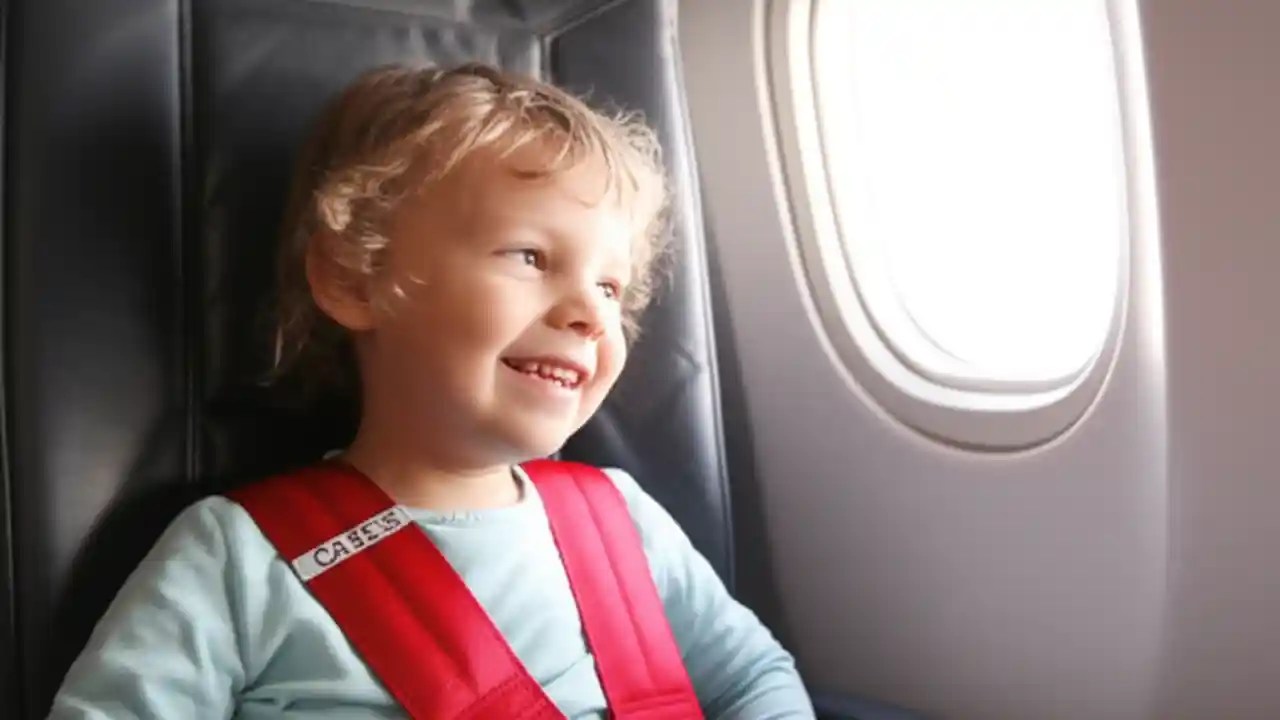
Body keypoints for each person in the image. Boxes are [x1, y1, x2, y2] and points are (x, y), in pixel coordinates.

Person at [49, 62, 814, 719]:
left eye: (611, 286)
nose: (590, 313)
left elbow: (754, 678)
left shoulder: (625, 524)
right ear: (354, 280)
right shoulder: (238, 556)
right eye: (528, 256)